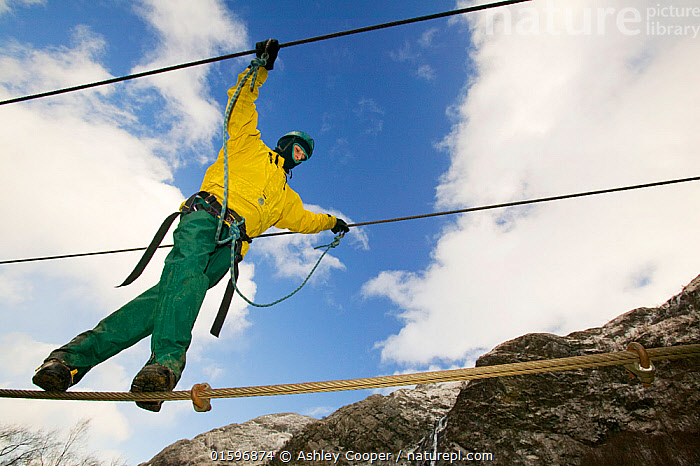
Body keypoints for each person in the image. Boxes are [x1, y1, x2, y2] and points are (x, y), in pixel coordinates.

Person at [32, 39, 350, 412]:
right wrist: (259, 69)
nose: (297, 155)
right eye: (296, 146)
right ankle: (164, 365)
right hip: (207, 217)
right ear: (285, 143)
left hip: (230, 248)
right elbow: (241, 105)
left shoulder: (286, 198)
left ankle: (68, 362)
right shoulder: (248, 145)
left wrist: (332, 223)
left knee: (164, 301)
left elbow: (304, 220)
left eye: (303, 155)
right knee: (185, 278)